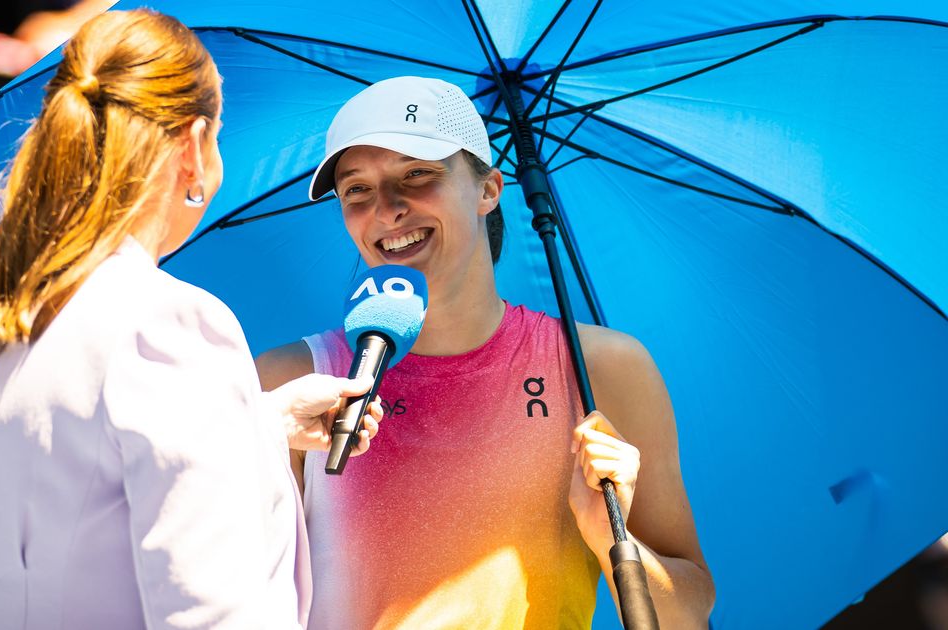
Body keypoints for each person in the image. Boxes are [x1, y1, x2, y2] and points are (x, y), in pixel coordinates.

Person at [0, 10, 381, 629]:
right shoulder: (167, 320)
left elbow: (80, 491)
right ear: (193, 146)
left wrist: (258, 424)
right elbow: (213, 607)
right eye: (218, 134)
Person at [256, 76, 716, 629]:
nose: (387, 209)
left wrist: (609, 542)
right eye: (356, 190)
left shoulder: (601, 368)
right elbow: (226, 589)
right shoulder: (289, 382)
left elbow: (687, 614)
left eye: (417, 174)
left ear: (488, 189)